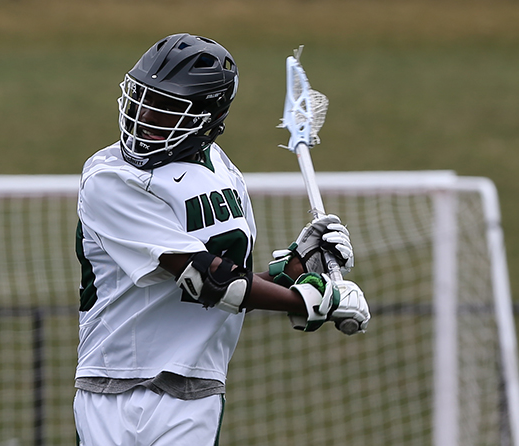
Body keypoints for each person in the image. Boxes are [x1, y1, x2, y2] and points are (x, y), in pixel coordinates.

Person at [74, 33, 370, 445]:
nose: (144, 118)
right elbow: (204, 279)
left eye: (166, 110)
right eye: (143, 100)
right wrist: (307, 300)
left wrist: (295, 269)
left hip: (195, 390)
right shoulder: (111, 179)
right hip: (113, 385)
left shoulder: (223, 172)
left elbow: (233, 281)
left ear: (207, 121)